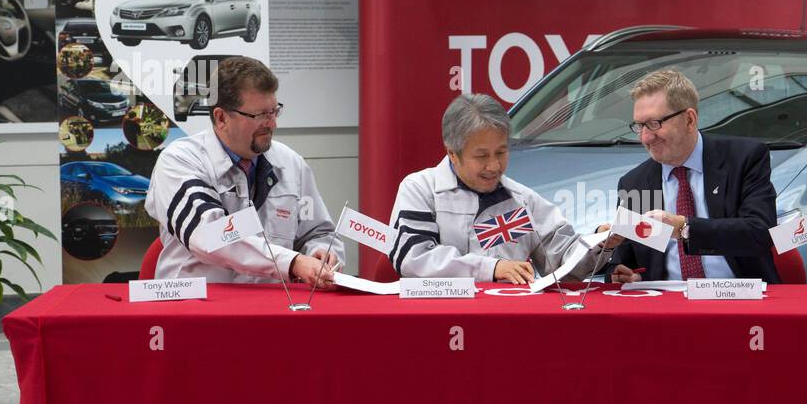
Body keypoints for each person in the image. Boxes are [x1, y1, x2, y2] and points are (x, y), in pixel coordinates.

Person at [145, 56, 343, 287]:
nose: (272, 124)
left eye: (274, 112)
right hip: (197, 309)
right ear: (221, 118)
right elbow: (212, 235)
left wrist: (320, 251)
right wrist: (293, 263)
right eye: (260, 115)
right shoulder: (179, 161)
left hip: (272, 311)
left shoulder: (291, 164)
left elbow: (318, 231)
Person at [390, 93, 608, 283]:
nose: (494, 166)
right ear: (452, 154)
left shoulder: (522, 200)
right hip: (438, 319)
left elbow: (561, 262)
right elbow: (413, 258)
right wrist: (492, 268)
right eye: (482, 156)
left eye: (501, 152)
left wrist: (599, 242)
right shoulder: (420, 189)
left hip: (506, 322)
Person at [607, 69, 779, 284]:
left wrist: (682, 227)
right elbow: (624, 258)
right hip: (667, 305)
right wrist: (628, 275)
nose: (646, 137)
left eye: (654, 124)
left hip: (742, 298)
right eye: (639, 126)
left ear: (689, 119)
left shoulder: (743, 159)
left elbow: (759, 233)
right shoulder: (635, 183)